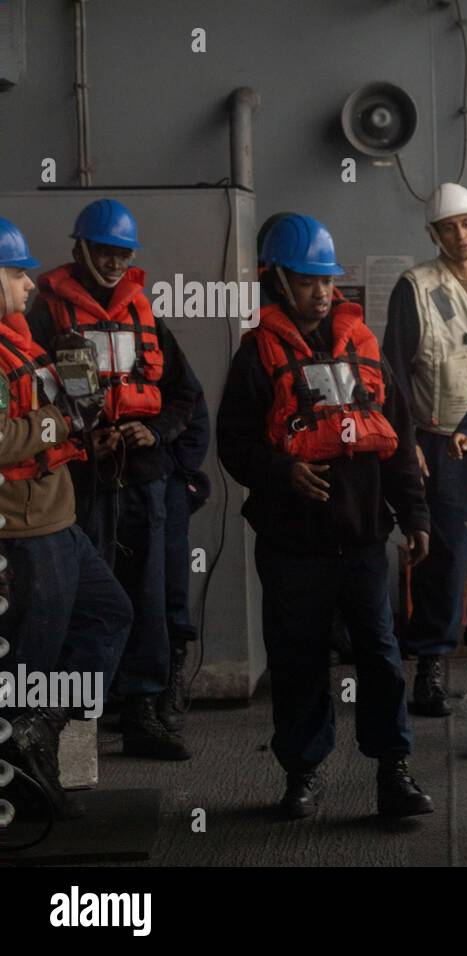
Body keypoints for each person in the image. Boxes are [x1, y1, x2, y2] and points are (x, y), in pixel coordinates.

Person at [216, 213, 436, 820]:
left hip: (364, 536)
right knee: (298, 661)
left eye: (326, 279)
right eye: (308, 279)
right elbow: (233, 444)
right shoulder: (256, 356)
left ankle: (394, 771)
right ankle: (302, 773)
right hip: (293, 547)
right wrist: (281, 470)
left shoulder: (363, 347)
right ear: (278, 279)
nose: (321, 290)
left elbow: (399, 435)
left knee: (382, 658)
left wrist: (414, 512)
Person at [26, 198, 199, 761]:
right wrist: (80, 446)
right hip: (80, 483)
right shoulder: (44, 314)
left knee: (145, 595)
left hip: (144, 478)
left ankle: (142, 711)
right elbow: (30, 405)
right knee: (79, 606)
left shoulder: (143, 313)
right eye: (104, 251)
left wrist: (158, 432)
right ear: (79, 248)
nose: (113, 262)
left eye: (122, 253)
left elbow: (185, 396)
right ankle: (74, 737)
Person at [0, 216, 133, 819]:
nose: (29, 284)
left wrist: (81, 411)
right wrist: (62, 420)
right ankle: (19, 791)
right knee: (25, 665)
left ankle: (43, 726)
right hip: (24, 536)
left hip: (59, 522)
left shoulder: (20, 339)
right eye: (15, 272)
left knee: (109, 614)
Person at [383, 183, 467, 717]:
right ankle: (431, 664)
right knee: (448, 557)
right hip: (441, 445)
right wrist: (407, 442)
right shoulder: (415, 286)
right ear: (434, 234)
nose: (461, 235)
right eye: (449, 227)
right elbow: (392, 372)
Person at [157, 360, 210, 733]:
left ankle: (170, 680)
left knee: (171, 579)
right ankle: (133, 696)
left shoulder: (150, 331)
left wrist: (175, 471)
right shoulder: (62, 321)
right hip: (105, 481)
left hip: (162, 483)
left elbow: (194, 405)